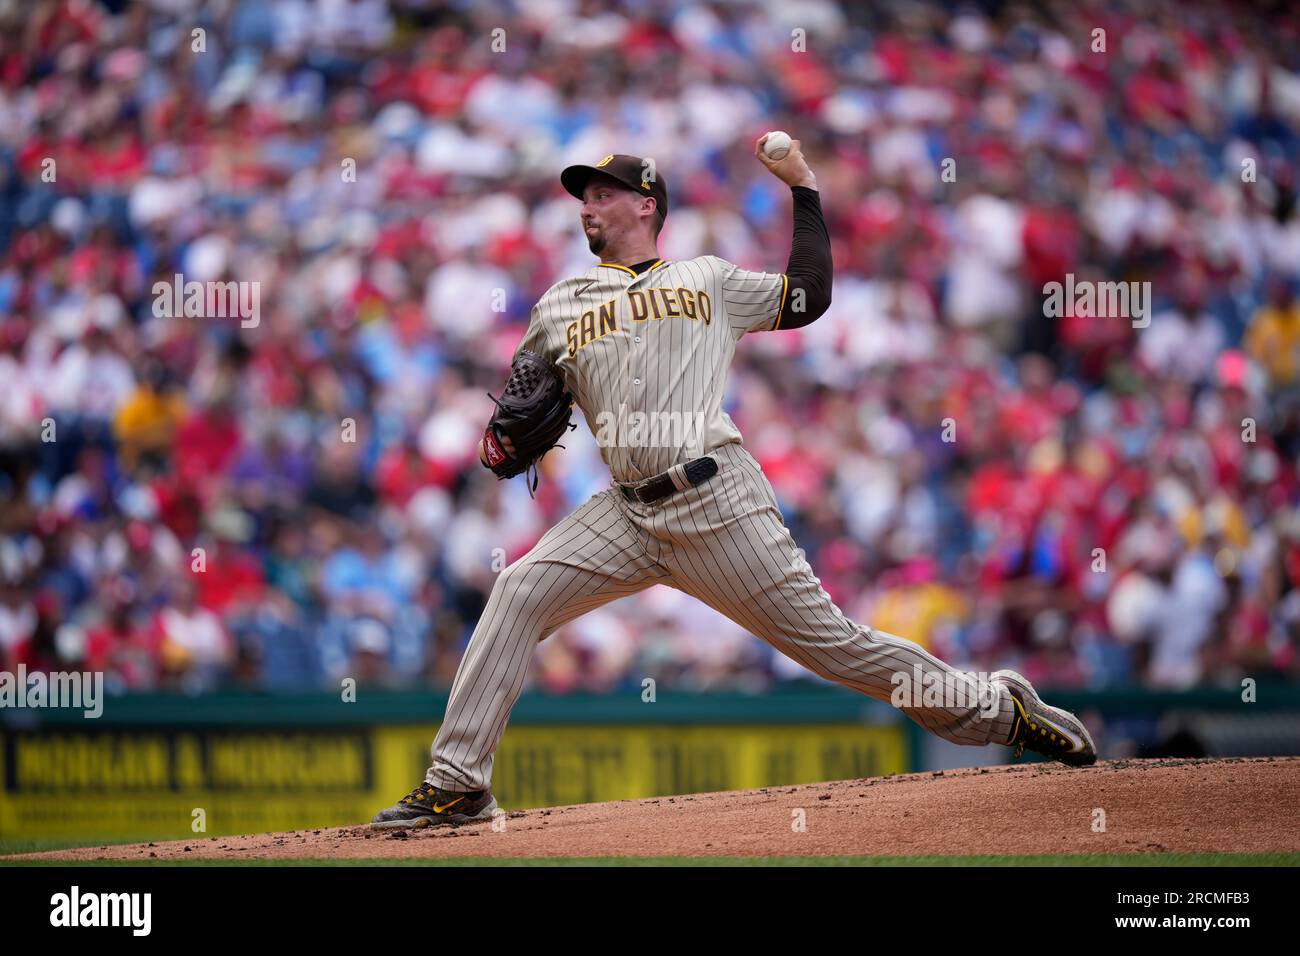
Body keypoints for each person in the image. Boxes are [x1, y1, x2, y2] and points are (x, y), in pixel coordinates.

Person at [371, 137, 1096, 828]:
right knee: (517, 592)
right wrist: (502, 443)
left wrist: (804, 190)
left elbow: (809, 296)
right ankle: (458, 784)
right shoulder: (559, 304)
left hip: (717, 501)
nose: (586, 208)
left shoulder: (707, 279)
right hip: (624, 514)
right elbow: (522, 410)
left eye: (600, 194)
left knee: (836, 648)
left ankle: (1001, 712)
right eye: (581, 198)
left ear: (645, 204)